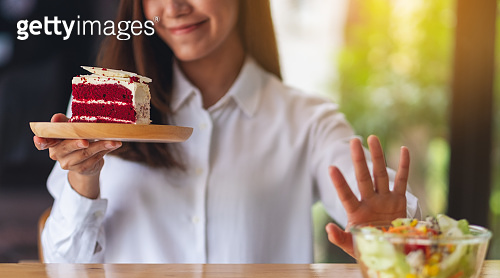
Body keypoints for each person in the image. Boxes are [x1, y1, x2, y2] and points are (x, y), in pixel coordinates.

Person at [34, 0, 420, 263]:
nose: (173, 8)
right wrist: (83, 179)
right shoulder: (101, 116)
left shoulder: (308, 122)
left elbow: (391, 223)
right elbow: (63, 266)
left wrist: (395, 234)